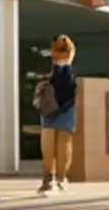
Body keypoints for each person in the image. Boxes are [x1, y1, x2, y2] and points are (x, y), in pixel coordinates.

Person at [37, 34, 77, 194]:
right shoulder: (69, 66)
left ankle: (49, 179)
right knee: (64, 143)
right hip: (66, 106)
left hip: (50, 107)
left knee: (49, 142)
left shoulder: (51, 64)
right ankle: (60, 178)